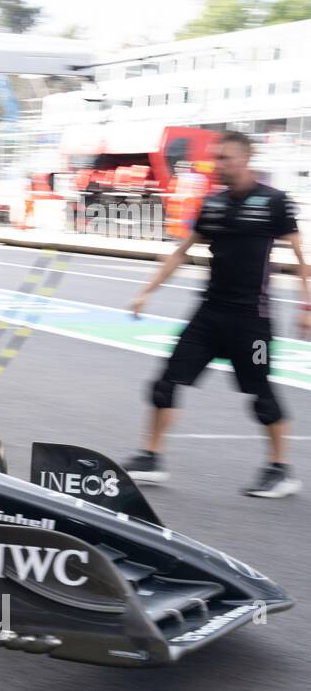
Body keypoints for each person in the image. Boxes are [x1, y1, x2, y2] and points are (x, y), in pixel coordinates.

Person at [126, 130, 310, 498]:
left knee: (260, 392)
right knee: (165, 383)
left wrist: (307, 307)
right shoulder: (212, 205)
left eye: (223, 158)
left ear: (244, 158)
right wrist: (147, 291)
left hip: (252, 319)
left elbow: (301, 257)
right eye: (216, 158)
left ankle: (280, 470)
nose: (216, 164)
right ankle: (150, 459)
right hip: (209, 315)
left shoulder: (275, 202)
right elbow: (182, 252)